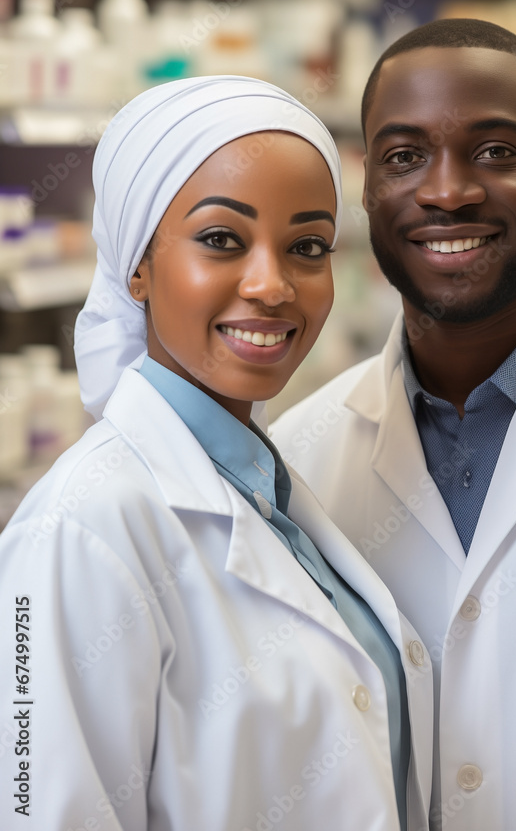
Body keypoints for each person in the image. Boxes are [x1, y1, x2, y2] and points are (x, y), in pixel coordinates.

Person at [0, 76, 434, 831]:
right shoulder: (81, 528)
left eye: (306, 247)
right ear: (137, 265)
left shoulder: (266, 487)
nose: (271, 286)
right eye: (221, 240)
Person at [270, 20, 516, 831]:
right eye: (404, 156)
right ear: (367, 187)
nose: (446, 190)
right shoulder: (297, 462)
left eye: (494, 152)